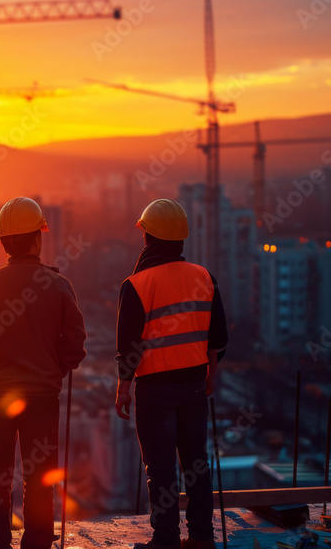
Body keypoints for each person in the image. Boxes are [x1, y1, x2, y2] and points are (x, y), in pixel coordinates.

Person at [0, 197, 87, 549]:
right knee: (40, 477)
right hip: (43, 397)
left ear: (3, 242)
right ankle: (38, 541)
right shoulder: (58, 286)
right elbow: (76, 345)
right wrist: (51, 371)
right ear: (37, 238)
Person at [114, 199, 228, 549]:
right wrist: (211, 373)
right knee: (196, 464)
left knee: (161, 469)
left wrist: (122, 389)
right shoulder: (203, 276)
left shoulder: (137, 284)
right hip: (194, 386)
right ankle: (202, 538)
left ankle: (165, 540)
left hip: (155, 390)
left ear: (148, 237)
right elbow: (218, 335)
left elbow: (129, 347)